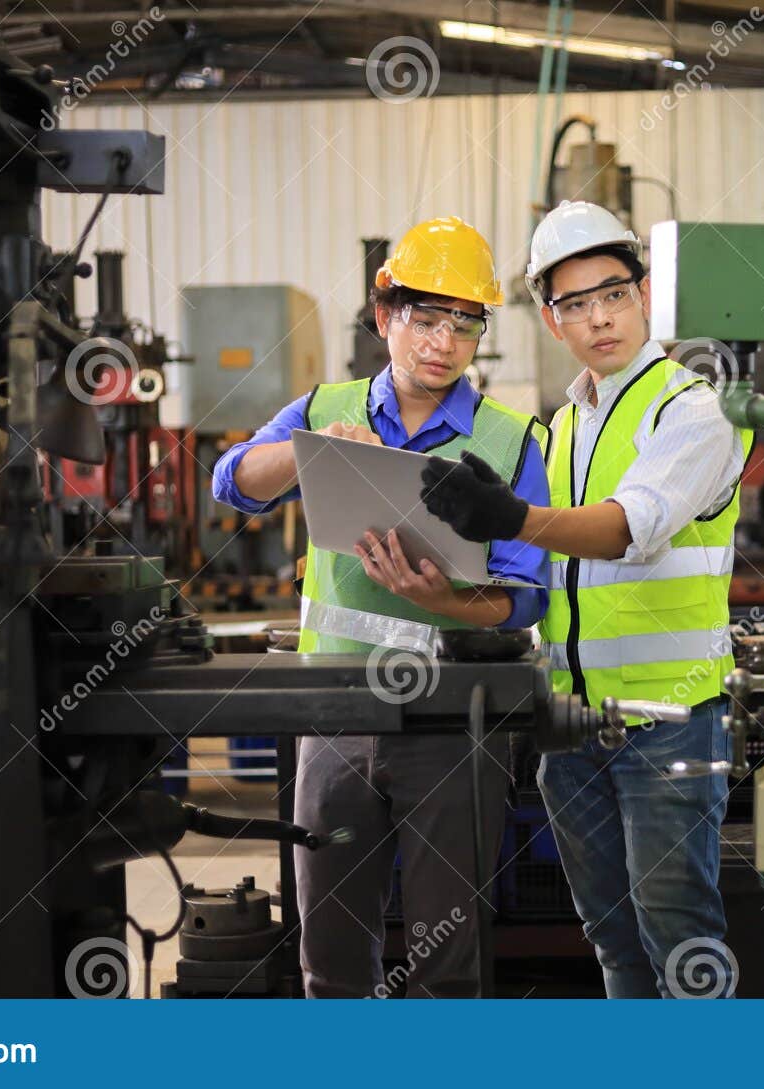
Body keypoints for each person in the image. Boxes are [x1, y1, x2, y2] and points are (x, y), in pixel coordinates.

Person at [212, 216, 550, 997]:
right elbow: (230, 480)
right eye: (426, 318)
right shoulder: (325, 407)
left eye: (465, 324)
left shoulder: (511, 441)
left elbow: (526, 594)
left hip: (451, 722)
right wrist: (304, 454)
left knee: (447, 960)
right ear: (383, 317)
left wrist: (449, 600)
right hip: (332, 713)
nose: (443, 341)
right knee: (329, 954)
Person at [420, 201, 751, 998]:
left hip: (667, 726)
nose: (600, 317)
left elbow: (626, 528)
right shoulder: (564, 424)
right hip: (572, 728)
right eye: (576, 304)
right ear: (550, 319)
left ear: (644, 293)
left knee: (679, 936)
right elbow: (548, 569)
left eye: (614, 293)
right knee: (611, 937)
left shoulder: (692, 409)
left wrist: (512, 514)